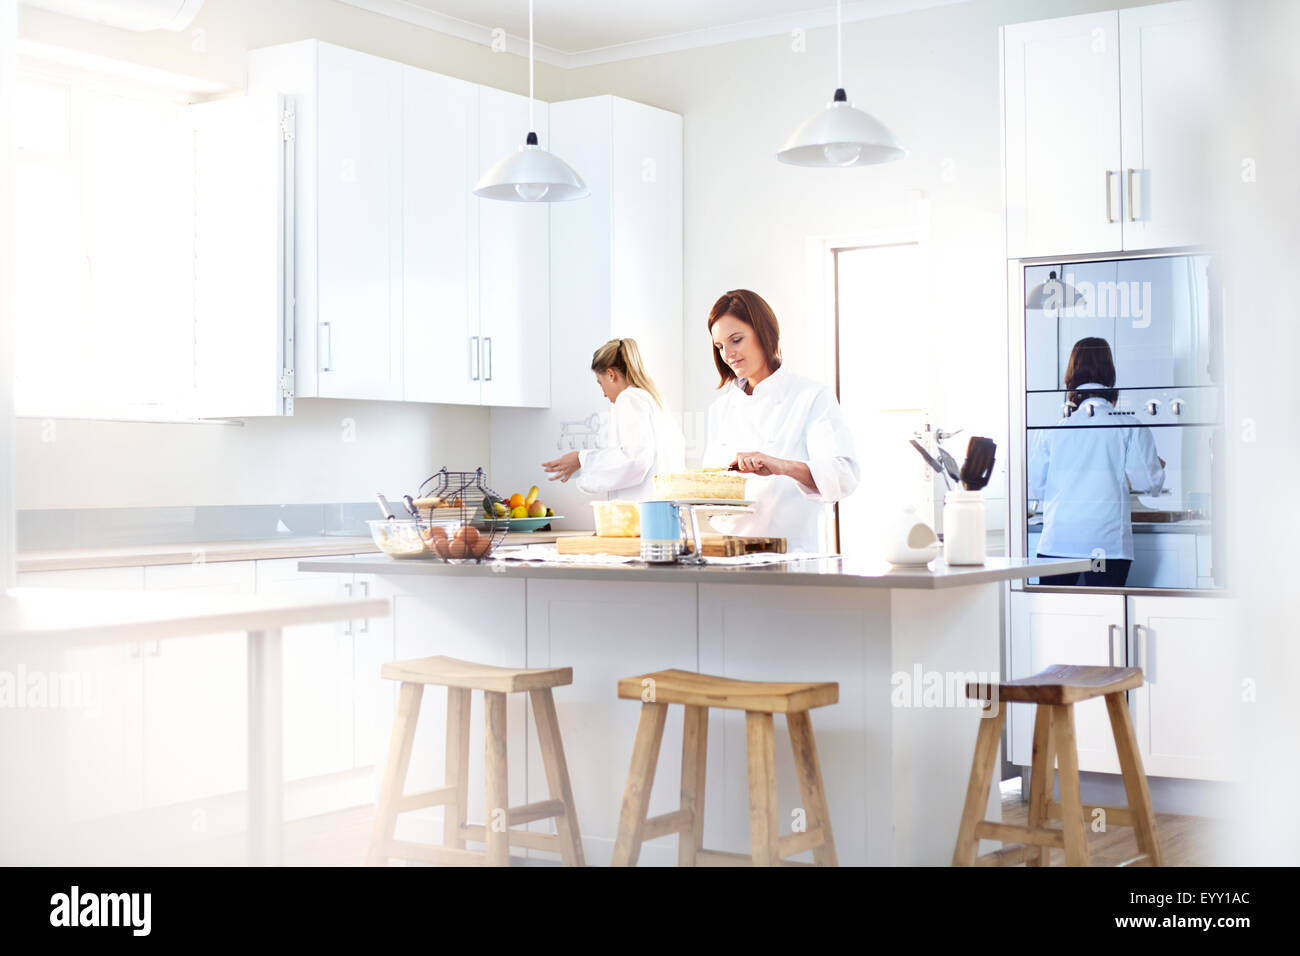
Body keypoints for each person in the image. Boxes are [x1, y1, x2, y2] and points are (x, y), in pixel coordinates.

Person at [701, 289, 859, 553]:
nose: (728, 354)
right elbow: (711, 492)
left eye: (736, 340)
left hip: (790, 555)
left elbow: (843, 475)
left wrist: (780, 466)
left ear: (764, 332)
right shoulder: (721, 408)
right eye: (719, 346)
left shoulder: (811, 397)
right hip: (730, 556)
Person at [1029, 336, 1165, 587]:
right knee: (1104, 619)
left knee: (1055, 620)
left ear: (1070, 374)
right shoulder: (1130, 426)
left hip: (1058, 542)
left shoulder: (1050, 429)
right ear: (1110, 373)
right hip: (1108, 546)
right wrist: (1156, 466)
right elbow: (1148, 483)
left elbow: (1035, 489)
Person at [541, 338, 685, 501]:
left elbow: (636, 460)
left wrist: (582, 459)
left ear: (611, 375)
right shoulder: (653, 401)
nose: (603, 393)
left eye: (600, 383)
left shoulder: (629, 399)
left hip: (641, 519)